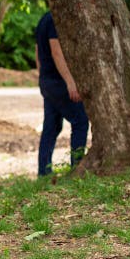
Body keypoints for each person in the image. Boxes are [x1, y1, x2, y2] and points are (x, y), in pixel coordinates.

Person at [35, 11, 89, 176]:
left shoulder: (43, 19)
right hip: (59, 82)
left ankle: (44, 172)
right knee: (80, 120)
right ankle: (77, 167)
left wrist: (43, 77)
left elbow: (37, 52)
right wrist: (70, 82)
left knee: (51, 127)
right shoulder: (55, 19)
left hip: (48, 80)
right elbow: (56, 52)